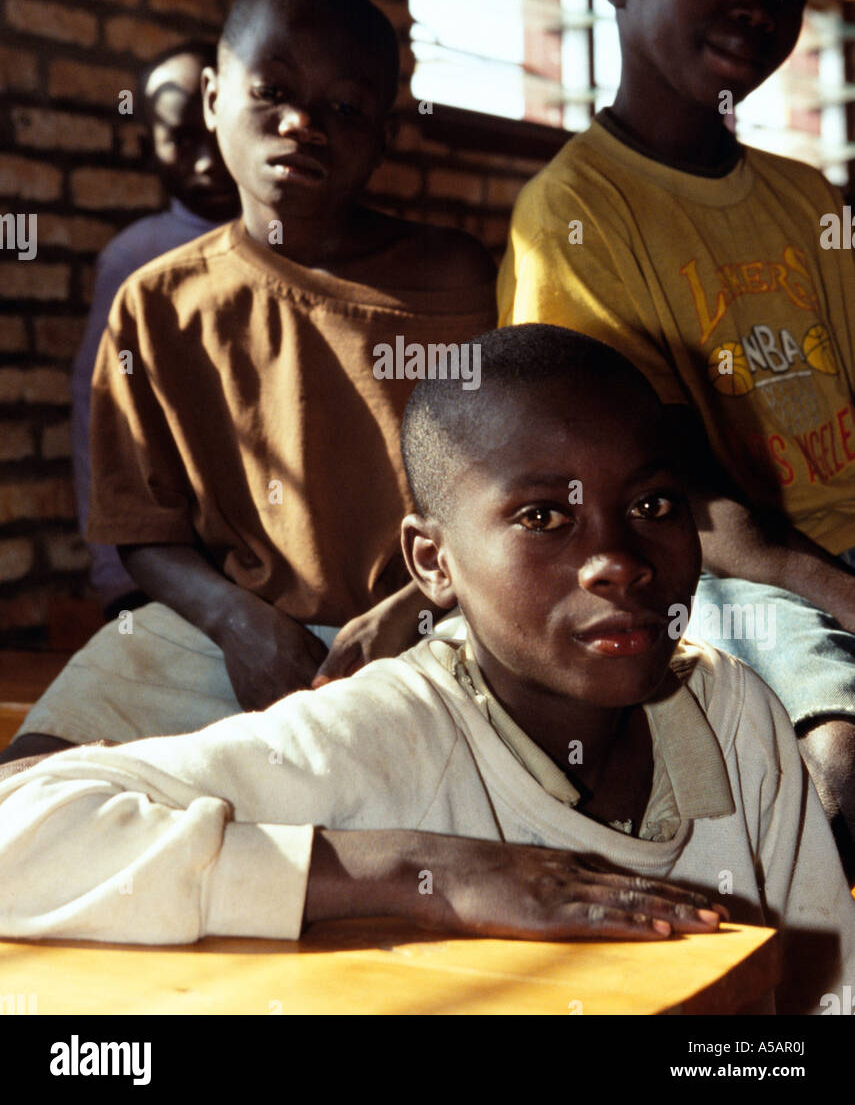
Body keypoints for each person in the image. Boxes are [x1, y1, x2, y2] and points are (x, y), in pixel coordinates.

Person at [0, 325, 851, 1016]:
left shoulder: (732, 711)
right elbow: (17, 835)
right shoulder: (384, 734)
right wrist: (428, 871)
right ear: (432, 563)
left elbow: (819, 996)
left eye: (650, 506)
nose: (616, 560)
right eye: (544, 516)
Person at [1, 0, 495, 763]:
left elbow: (510, 495)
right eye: (271, 91)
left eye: (346, 108)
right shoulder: (158, 302)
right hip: (221, 630)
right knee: (32, 790)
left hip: (436, 623)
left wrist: (413, 608)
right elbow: (144, 533)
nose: (302, 124)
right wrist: (238, 622)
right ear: (211, 98)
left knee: (404, 793)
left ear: (383, 135)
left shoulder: (456, 282)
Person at [498, 0, 855, 875]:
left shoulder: (809, 199)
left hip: (831, 557)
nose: (756, 6)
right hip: (728, 569)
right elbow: (652, 487)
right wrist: (832, 588)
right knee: (841, 760)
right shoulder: (574, 215)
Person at [71, 41, 241, 617]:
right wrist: (120, 577)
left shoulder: (293, 246)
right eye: (180, 140)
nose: (206, 161)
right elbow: (99, 418)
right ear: (148, 147)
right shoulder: (136, 258)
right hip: (170, 575)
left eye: (214, 135)